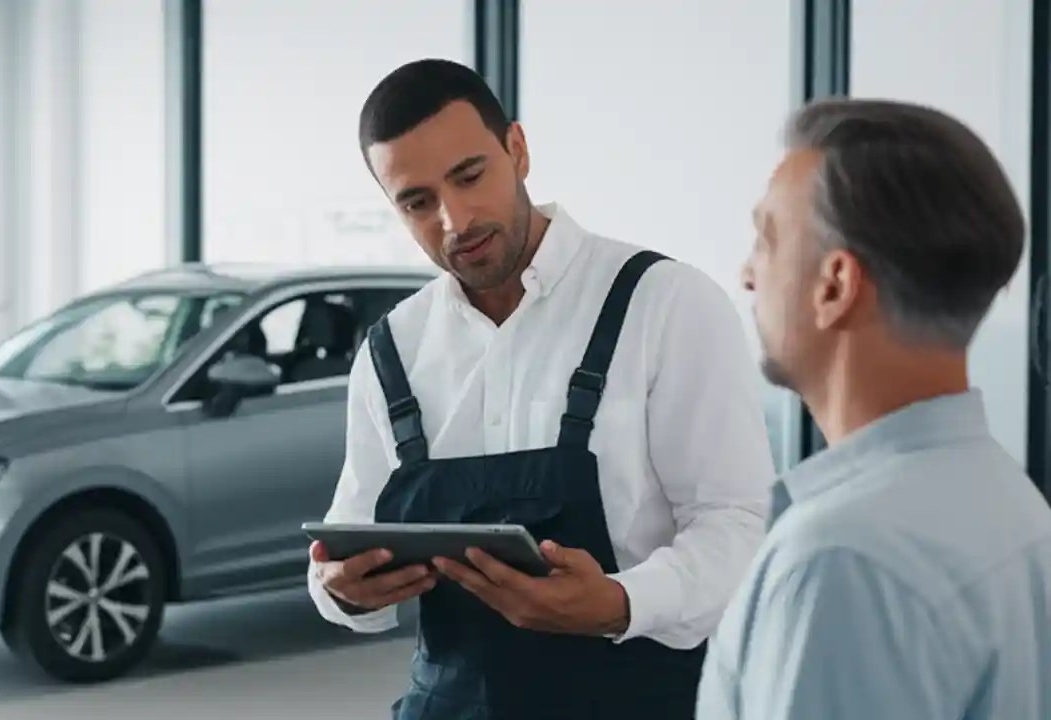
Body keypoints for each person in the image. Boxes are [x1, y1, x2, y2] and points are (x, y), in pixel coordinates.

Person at [305, 58, 776, 719]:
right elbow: (344, 543)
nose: (455, 220)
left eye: (470, 176)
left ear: (517, 151)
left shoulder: (664, 304)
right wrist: (341, 588)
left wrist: (619, 602)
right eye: (417, 202)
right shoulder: (392, 348)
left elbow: (737, 528)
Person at [695, 97, 1051, 719]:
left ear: (835, 286)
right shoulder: (1009, 503)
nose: (747, 273)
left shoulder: (843, 560)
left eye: (768, 240)